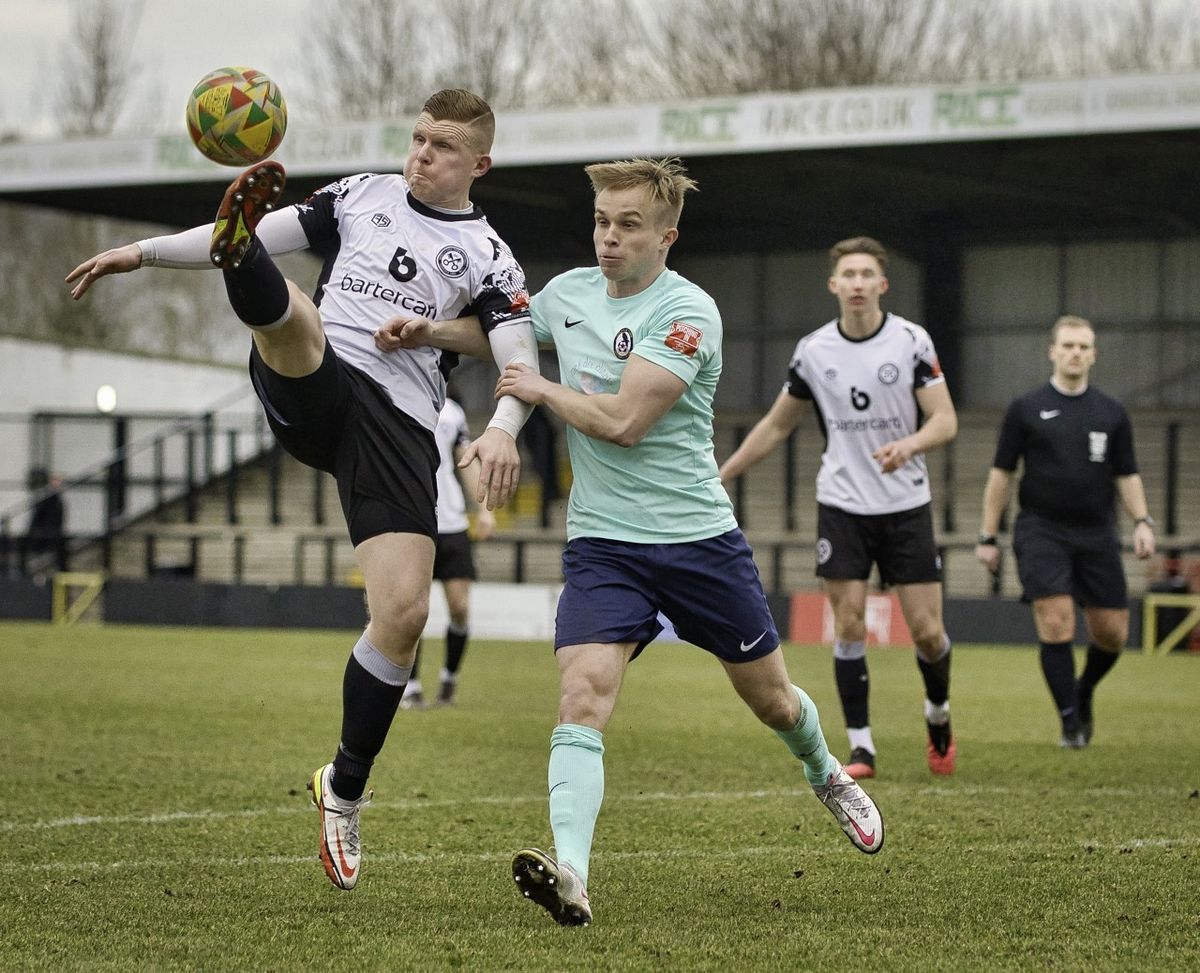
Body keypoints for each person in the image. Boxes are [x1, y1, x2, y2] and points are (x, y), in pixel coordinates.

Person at [377, 158, 884, 927]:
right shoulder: (569, 292)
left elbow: (622, 423)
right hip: (604, 547)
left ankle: (826, 771)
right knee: (581, 694)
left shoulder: (688, 313)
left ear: (666, 237)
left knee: (773, 699)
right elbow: (507, 332)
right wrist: (431, 330)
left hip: (697, 542)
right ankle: (571, 874)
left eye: (629, 225)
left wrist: (538, 390)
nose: (609, 239)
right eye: (601, 222)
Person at [65, 89, 540, 891]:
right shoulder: (362, 195)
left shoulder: (490, 255)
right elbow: (276, 227)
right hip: (317, 380)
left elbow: (519, 354)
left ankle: (344, 788)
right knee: (294, 318)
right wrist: (141, 252)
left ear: (479, 164)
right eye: (418, 138)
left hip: (396, 423)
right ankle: (238, 260)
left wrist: (502, 427)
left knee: (403, 614)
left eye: (443, 147)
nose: (422, 153)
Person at [718, 236, 959, 781]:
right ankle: (862, 747)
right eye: (847, 274)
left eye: (865, 274)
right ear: (833, 285)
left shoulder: (911, 341)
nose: (855, 282)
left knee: (927, 632)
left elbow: (945, 420)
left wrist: (911, 445)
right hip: (843, 504)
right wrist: (724, 472)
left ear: (882, 284)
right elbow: (779, 423)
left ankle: (938, 714)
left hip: (906, 505)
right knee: (848, 622)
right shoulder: (813, 350)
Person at [974, 315, 1155, 747]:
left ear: (1094, 354)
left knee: (1112, 632)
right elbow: (1001, 474)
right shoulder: (1026, 408)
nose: (1075, 352)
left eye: (1083, 346)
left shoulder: (1111, 412)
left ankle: (1085, 689)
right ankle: (1070, 721)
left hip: (1097, 531)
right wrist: (987, 534)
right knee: (1056, 623)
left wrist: (1143, 521)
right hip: (1041, 529)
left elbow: (1127, 474)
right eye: (1068, 345)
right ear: (1052, 351)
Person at [400, 394, 495, 709]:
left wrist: (484, 509)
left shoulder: (452, 411)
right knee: (412, 611)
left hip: (452, 523)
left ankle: (448, 680)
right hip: (413, 520)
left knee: (459, 607)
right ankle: (410, 687)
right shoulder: (396, 396)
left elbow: (465, 461)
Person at [23, 469, 68, 572]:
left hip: (54, 533)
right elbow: (38, 516)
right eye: (56, 481)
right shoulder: (46, 497)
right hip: (45, 533)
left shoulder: (57, 499)